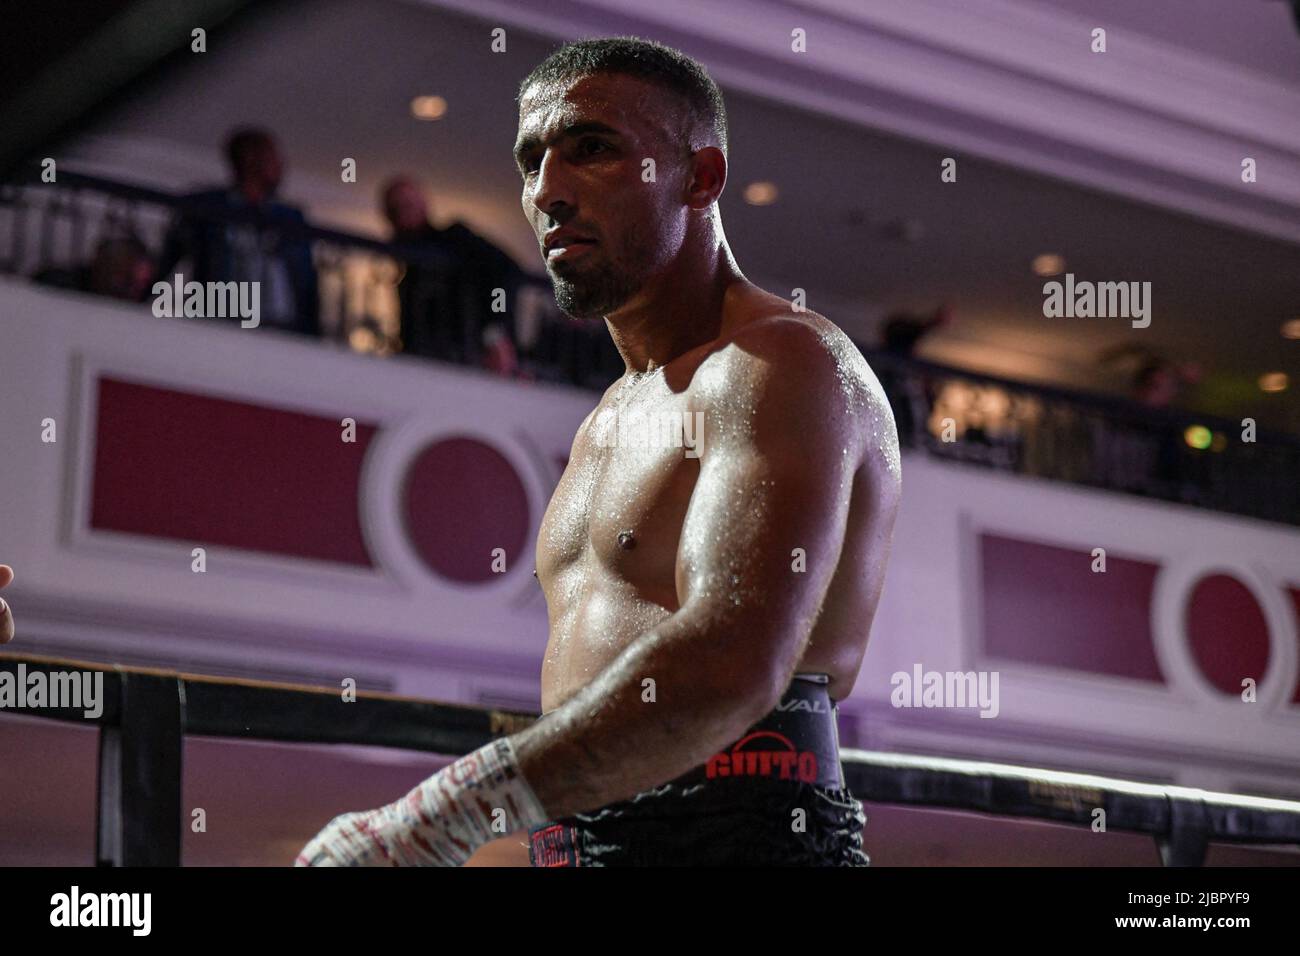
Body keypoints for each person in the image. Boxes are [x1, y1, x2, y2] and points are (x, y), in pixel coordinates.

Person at [293, 35, 902, 866]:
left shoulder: (777, 362)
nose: (547, 190)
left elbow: (733, 660)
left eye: (592, 149)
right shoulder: (611, 413)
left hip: (742, 834)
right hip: (578, 838)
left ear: (701, 176)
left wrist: (440, 813)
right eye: (531, 159)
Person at [156, 127, 319, 336]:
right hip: (222, 321)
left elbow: (306, 282)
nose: (281, 165)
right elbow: (171, 255)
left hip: (281, 327)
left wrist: (311, 333)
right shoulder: (208, 206)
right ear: (250, 159)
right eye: (273, 157)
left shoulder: (291, 218)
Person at [380, 174, 520, 373]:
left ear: (423, 205)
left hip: (459, 354)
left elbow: (505, 269)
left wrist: (495, 333)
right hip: (418, 357)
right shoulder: (404, 262)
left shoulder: (453, 238)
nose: (403, 213)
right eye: (396, 208)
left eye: (408, 204)